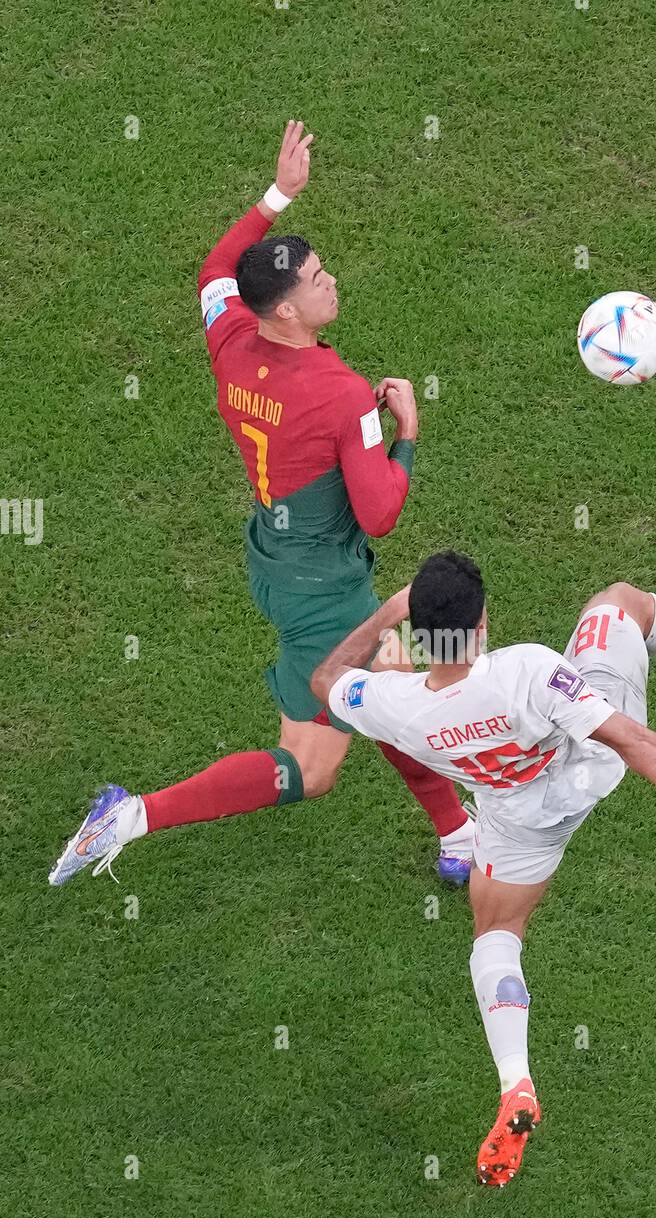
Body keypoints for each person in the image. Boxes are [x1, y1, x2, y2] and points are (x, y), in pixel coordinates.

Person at [311, 550, 656, 1185]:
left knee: (496, 937)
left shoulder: (394, 705)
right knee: (621, 602)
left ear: (420, 633)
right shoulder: (527, 670)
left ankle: (516, 1084)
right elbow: (631, 742)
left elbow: (327, 677)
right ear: (481, 625)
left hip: (519, 822)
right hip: (589, 773)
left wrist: (388, 610)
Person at [49, 123, 472, 888]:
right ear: (282, 312)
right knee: (322, 760)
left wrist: (281, 194)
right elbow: (380, 514)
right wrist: (406, 433)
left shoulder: (231, 340)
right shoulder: (344, 398)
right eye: (315, 279)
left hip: (279, 564)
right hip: (324, 593)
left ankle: (458, 835)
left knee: (386, 692)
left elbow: (217, 268)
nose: (330, 280)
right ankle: (133, 813)